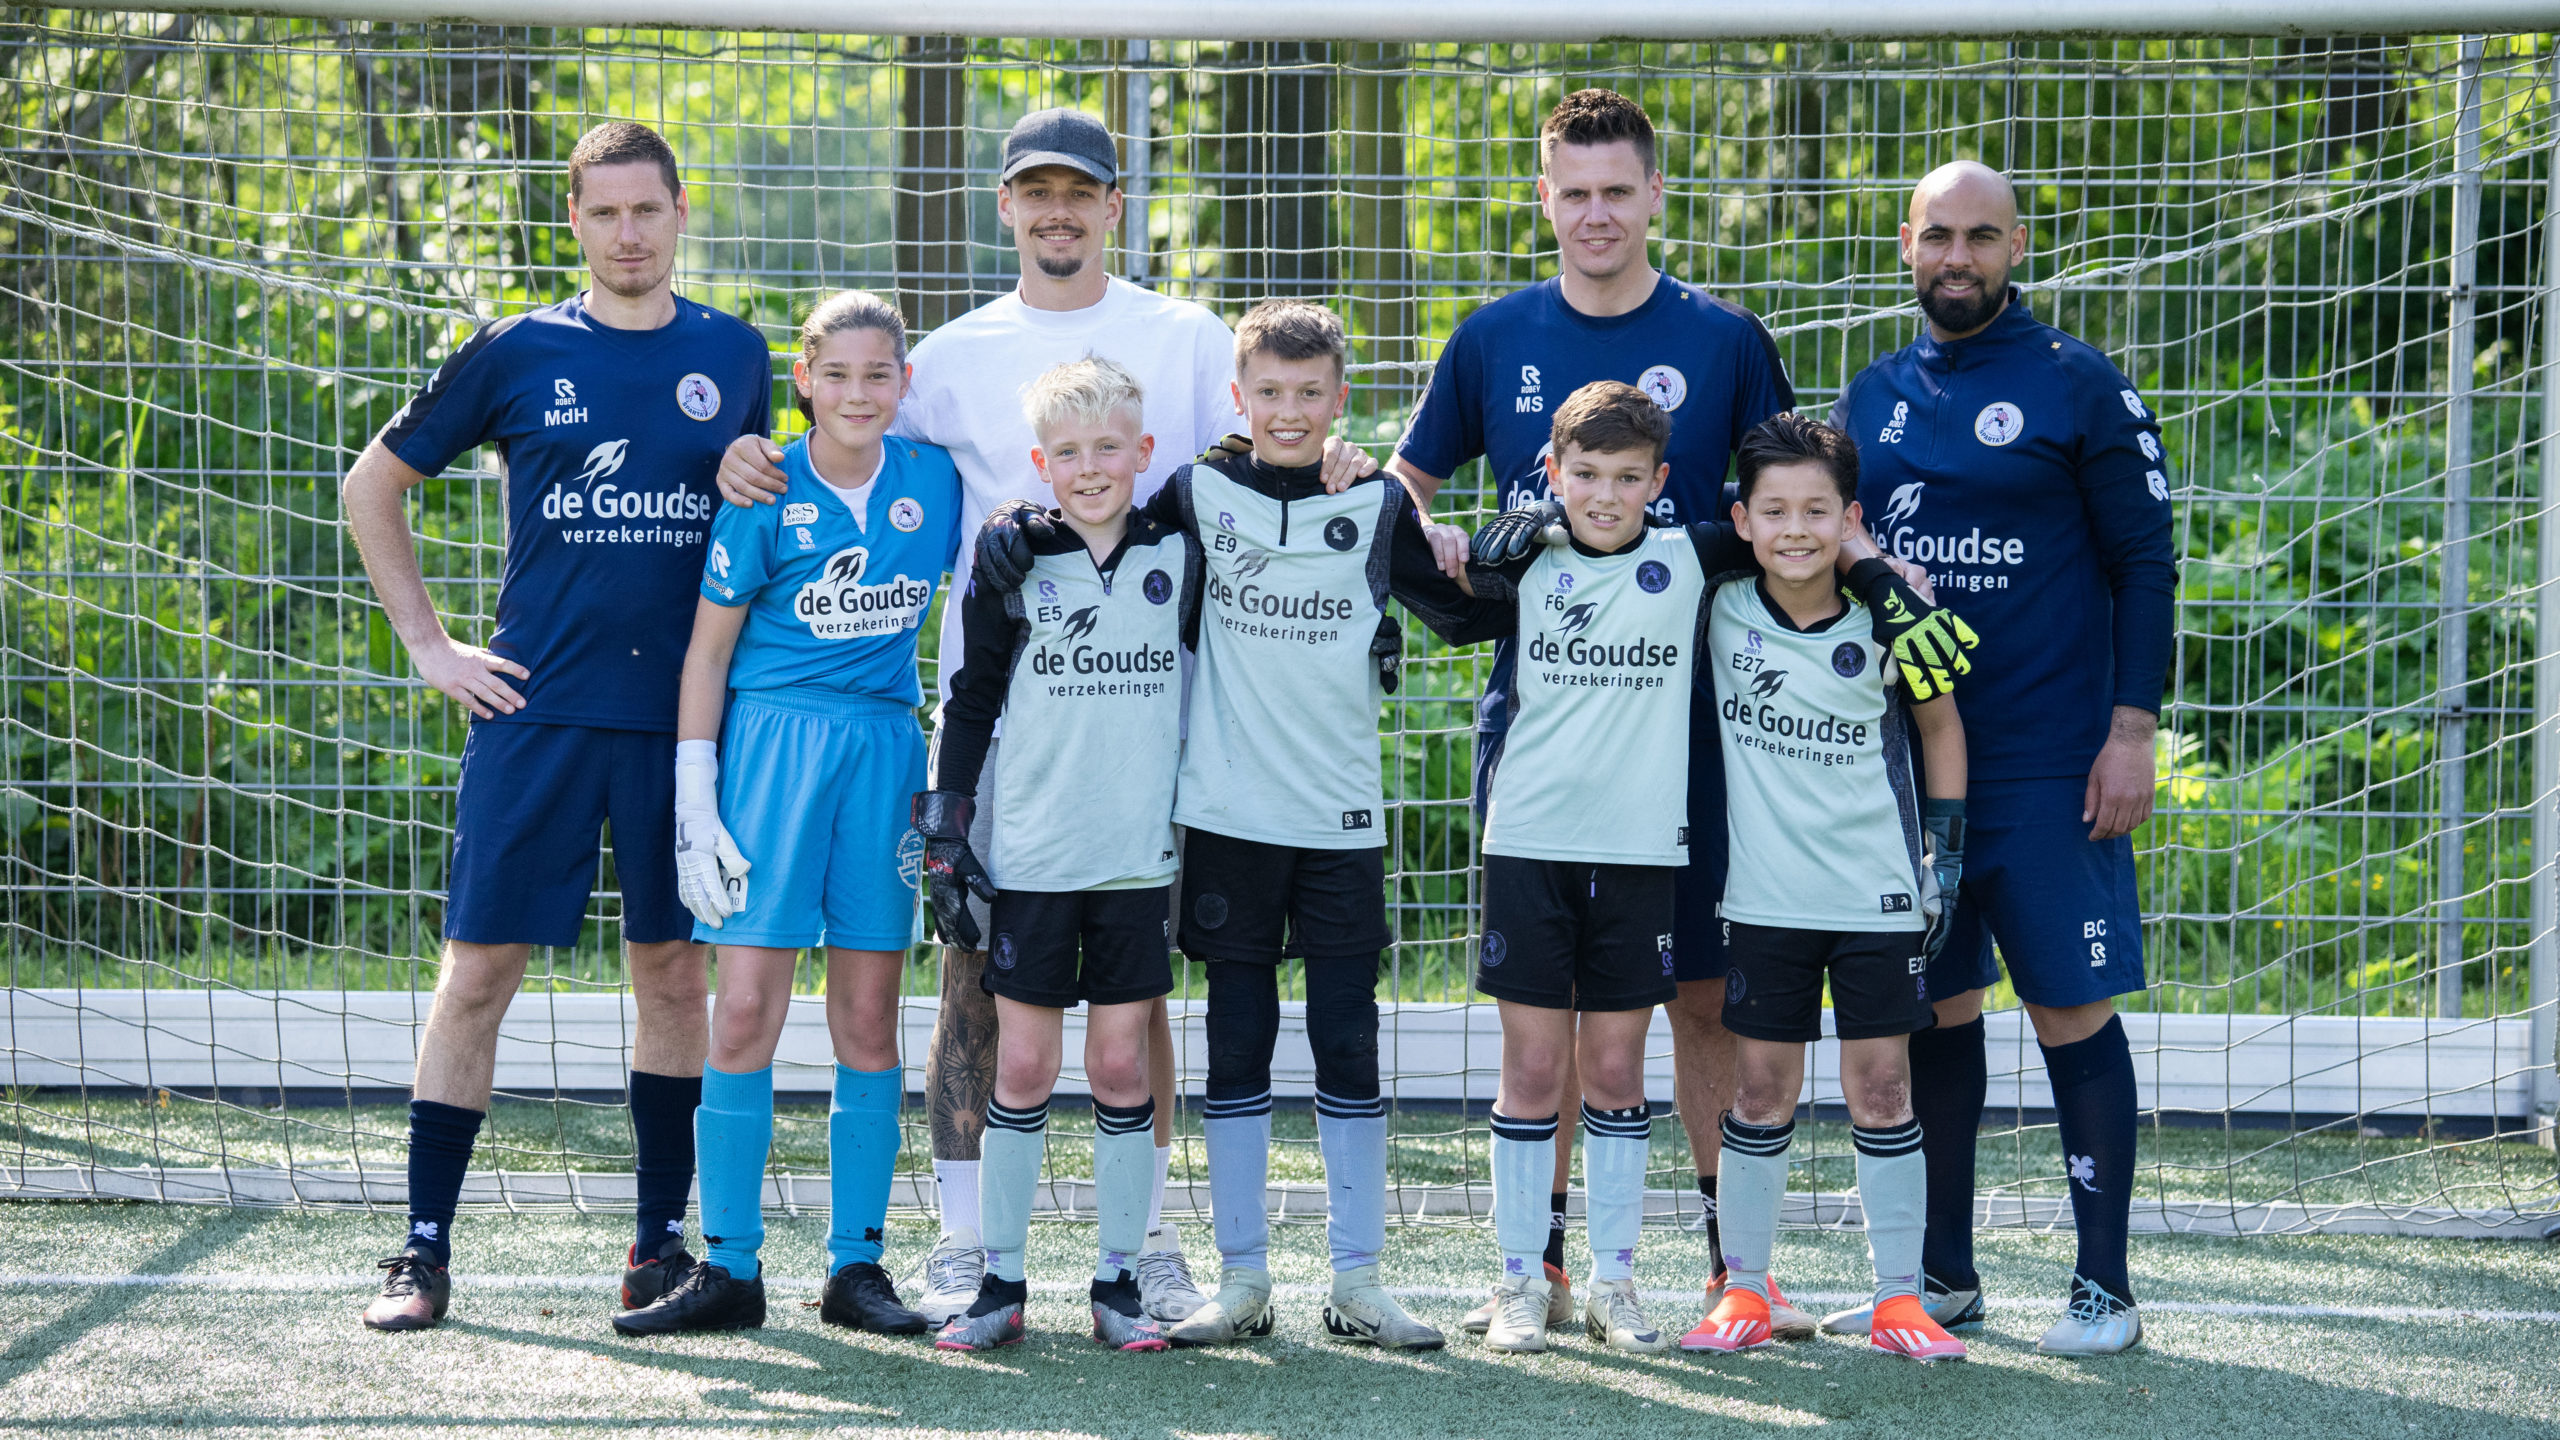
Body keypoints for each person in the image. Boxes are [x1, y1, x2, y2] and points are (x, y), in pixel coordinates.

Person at [713, 108, 1372, 1326]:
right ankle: (966, 1242)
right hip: (1005, 734)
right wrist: (752, 460)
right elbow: (851, 456)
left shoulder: (1182, 337)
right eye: (1036, 191)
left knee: (1136, 1002)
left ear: (1114, 205)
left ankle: (1149, 1241)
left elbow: (1264, 448)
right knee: (975, 985)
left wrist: (1342, 466)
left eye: (1081, 191)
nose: (1058, 211)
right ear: (1005, 204)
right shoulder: (949, 358)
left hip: (1156, 727)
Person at [970, 300, 1486, 1351]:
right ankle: (1242, 1280)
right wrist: (1010, 519)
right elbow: (1091, 516)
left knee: (1348, 1043)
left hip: (1340, 823)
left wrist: (1492, 543)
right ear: (1239, 399)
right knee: (1236, 1044)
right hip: (1224, 819)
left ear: (1340, 399)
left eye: (1311, 393)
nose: (1290, 412)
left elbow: (1469, 614)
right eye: (1270, 393)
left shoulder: (1374, 503)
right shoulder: (1198, 493)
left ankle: (1359, 1282)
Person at [1385, 88, 1806, 1339]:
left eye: (1618, 190)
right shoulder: (1492, 338)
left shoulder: (1724, 340)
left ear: (1655, 194)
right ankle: (1546, 1266)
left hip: (1697, 731)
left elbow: (1790, 499)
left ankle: (1736, 1271)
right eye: (1573, 193)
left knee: (1704, 996)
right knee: (1552, 1015)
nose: (1596, 214)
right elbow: (1407, 487)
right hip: (1544, 737)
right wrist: (1436, 532)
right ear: (1543, 198)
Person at [341, 120, 770, 1332]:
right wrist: (431, 647)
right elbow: (372, 485)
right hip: (536, 713)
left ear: (680, 212)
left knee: (672, 974)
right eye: (605, 213)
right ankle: (422, 1249)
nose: (629, 234)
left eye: (648, 210)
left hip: (681, 725)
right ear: (574, 221)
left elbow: (762, 520)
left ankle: (656, 1247)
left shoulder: (736, 354)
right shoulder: (518, 349)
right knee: (478, 971)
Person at [1459, 390, 1967, 1357]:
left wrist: (1880, 573)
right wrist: (1490, 534)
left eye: (1628, 478)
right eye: (1585, 476)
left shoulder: (1751, 578)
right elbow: (1447, 588)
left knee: (1664, 1072)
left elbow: (1929, 707)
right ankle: (1549, 1278)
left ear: (1659, 483)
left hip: (1750, 872)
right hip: (1585, 857)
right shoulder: (1613, 576)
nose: (1794, 528)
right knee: (1570, 1071)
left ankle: (1646, 1283)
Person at [1823, 160, 2176, 1357]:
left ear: (2016, 247)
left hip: (2047, 765)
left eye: (1981, 236)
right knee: (1934, 1010)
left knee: (2069, 1009)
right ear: (1906, 244)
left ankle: (2102, 1289)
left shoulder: (2079, 385)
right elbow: (1831, 535)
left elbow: (2145, 565)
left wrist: (2131, 732)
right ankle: (1944, 1278)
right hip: (1908, 769)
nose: (1957, 258)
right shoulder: (1872, 394)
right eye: (1938, 236)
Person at [613, 292, 960, 1337]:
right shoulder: (765, 488)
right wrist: (696, 797)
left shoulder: (935, 481)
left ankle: (857, 1267)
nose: (858, 392)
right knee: (744, 1011)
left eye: (878, 374)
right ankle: (729, 1267)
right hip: (772, 749)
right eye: (836, 374)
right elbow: (707, 653)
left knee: (869, 1017)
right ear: (803, 380)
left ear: (904, 383)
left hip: (882, 753)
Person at [918, 356, 1198, 1353]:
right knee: (1027, 1063)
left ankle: (1118, 1284)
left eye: (1108, 448)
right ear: (1041, 463)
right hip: (1034, 854)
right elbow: (971, 699)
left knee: (1121, 1063)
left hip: (1136, 857)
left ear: (1143, 452)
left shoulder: (1182, 551)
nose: (1090, 469)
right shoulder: (1011, 562)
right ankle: (999, 1284)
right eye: (1068, 453)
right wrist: (947, 822)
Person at [1679, 414, 1970, 1365]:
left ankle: (1899, 1301)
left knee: (1882, 1088)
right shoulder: (1716, 605)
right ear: (1743, 519)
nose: (1795, 529)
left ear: (1850, 517)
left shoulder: (1892, 617)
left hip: (1875, 895)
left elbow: (1941, 728)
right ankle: (1746, 1289)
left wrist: (1944, 852)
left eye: (1817, 510)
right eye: (1774, 511)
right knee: (1760, 1089)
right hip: (1765, 899)